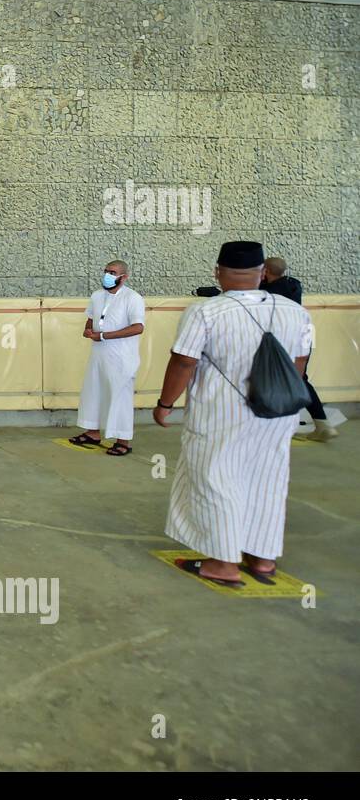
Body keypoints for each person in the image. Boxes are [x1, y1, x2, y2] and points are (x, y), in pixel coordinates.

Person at [155, 241, 313, 587]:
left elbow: (184, 360)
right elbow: (298, 365)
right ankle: (262, 558)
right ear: (261, 273)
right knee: (267, 479)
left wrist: (165, 403)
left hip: (221, 413)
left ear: (217, 272)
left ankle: (223, 563)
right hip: (277, 412)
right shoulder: (295, 311)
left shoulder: (206, 311)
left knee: (217, 478)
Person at [67, 260, 146, 456]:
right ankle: (92, 432)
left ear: (124, 277)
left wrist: (104, 336)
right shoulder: (97, 296)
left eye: (112, 272)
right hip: (98, 355)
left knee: (119, 397)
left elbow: (138, 327)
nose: (107, 275)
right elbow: (91, 318)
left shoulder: (132, 298)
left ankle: (123, 440)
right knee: (93, 392)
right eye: (106, 271)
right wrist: (88, 329)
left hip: (121, 358)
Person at [261, 257, 335, 441]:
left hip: (282, 335)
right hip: (305, 332)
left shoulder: (266, 291)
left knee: (268, 377)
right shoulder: (294, 285)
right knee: (300, 378)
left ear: (266, 271)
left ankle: (273, 426)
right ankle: (322, 424)